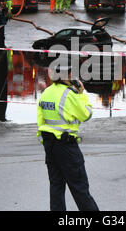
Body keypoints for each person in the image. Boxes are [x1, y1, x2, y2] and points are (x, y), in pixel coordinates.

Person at [37, 66, 99, 211]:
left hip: (49, 145)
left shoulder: (46, 92)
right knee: (80, 189)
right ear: (68, 75)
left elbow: (41, 120)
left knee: (56, 188)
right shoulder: (70, 94)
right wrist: (82, 94)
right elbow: (86, 114)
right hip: (66, 147)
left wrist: (45, 141)